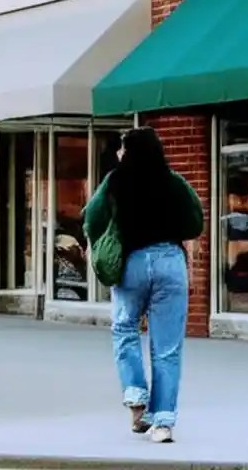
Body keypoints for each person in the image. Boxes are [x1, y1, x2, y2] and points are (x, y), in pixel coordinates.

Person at [82, 126, 203, 444]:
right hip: (170, 263)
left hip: (132, 262)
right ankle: (163, 423)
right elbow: (195, 223)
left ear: (130, 151)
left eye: (122, 148)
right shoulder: (174, 182)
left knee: (125, 328)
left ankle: (137, 400)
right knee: (167, 347)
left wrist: (104, 236)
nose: (119, 153)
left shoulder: (115, 181)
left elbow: (91, 218)